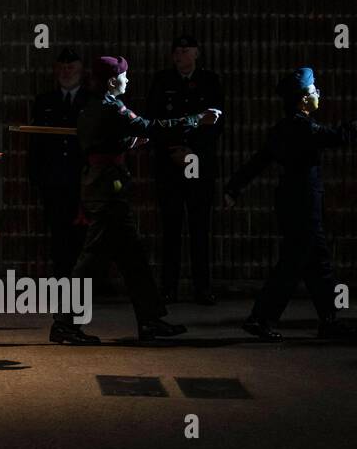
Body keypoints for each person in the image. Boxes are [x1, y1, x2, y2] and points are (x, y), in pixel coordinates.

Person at [49, 56, 220, 345]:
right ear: (113, 80)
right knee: (90, 262)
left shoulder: (93, 106)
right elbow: (150, 127)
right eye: (125, 76)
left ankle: (150, 320)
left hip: (103, 187)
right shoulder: (109, 106)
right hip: (108, 193)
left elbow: (103, 142)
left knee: (133, 260)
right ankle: (65, 322)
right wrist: (195, 119)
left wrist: (128, 141)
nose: (128, 81)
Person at [225, 67, 357, 341]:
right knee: (293, 263)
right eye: (313, 91)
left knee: (317, 263)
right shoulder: (304, 128)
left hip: (291, 200)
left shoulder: (282, 128)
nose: (318, 94)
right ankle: (261, 318)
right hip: (304, 203)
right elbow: (339, 136)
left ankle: (329, 320)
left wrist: (234, 188)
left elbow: (259, 160)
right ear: (303, 99)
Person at [146, 34, 224, 304]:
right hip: (170, 162)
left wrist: (194, 151)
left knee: (200, 227)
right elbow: (153, 120)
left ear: (197, 53)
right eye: (176, 51)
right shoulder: (162, 81)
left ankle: (203, 288)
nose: (180, 55)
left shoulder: (209, 81)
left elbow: (216, 123)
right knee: (171, 227)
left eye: (186, 50)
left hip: (199, 162)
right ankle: (169, 287)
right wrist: (173, 150)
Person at [29, 48, 89, 277]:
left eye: (71, 67)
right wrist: (36, 174)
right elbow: (36, 141)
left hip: (82, 177)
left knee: (83, 233)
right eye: (62, 67)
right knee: (58, 231)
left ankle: (83, 281)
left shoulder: (90, 100)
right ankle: (62, 278)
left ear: (81, 70)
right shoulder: (45, 101)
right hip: (53, 178)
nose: (66, 72)